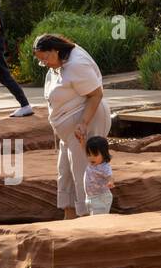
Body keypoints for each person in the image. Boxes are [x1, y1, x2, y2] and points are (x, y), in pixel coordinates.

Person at [31, 34, 111, 220]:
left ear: (56, 50)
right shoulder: (57, 64)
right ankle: (70, 217)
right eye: (40, 60)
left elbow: (96, 94)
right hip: (68, 131)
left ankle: (88, 218)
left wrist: (83, 123)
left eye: (46, 58)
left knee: (82, 171)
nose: (45, 63)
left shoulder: (76, 64)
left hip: (85, 123)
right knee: (65, 172)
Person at [83, 136, 114, 216]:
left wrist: (110, 182)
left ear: (104, 154)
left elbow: (110, 176)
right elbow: (83, 149)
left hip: (101, 198)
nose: (91, 157)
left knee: (98, 220)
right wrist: (81, 141)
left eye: (95, 155)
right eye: (89, 154)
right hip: (90, 197)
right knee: (94, 218)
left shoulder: (104, 166)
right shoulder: (91, 163)